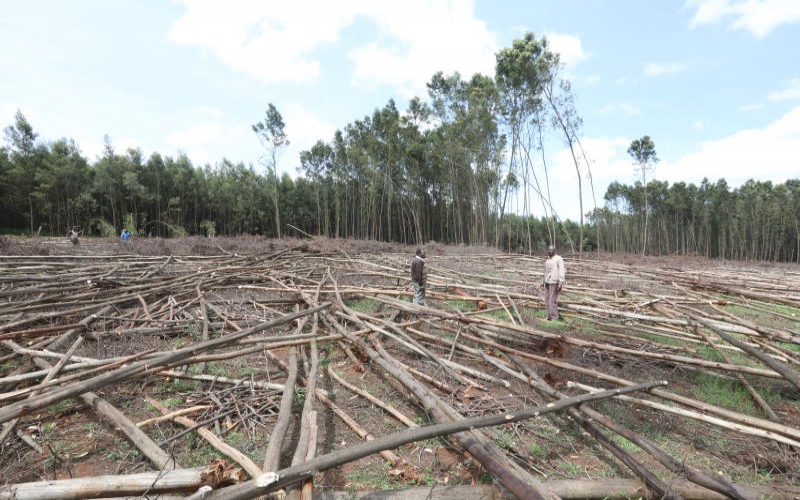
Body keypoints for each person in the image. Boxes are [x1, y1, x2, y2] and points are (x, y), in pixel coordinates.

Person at [543, 245, 565, 321]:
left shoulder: (559, 259)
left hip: (554, 282)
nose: (551, 251)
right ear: (548, 250)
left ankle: (555, 317)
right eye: (549, 250)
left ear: (555, 251)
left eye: (552, 250)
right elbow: (545, 272)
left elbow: (561, 270)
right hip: (547, 282)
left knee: (552, 300)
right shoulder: (547, 260)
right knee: (546, 300)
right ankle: (549, 316)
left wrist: (560, 282)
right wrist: (543, 281)